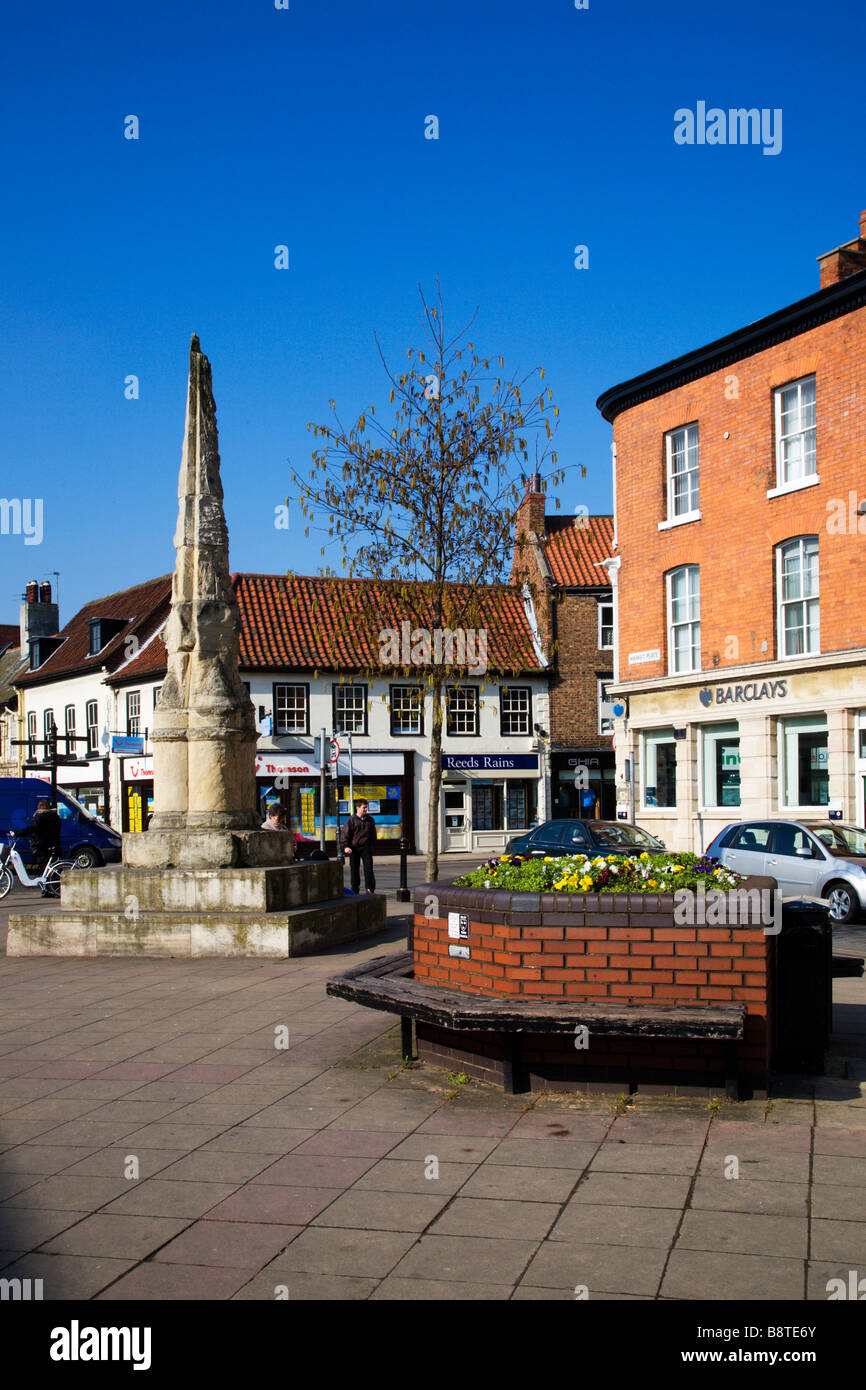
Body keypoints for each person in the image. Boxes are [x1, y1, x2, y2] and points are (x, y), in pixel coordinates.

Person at [14, 799, 62, 883]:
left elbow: (31, 828)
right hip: (54, 844)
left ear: (39, 807)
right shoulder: (55, 816)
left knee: (43, 867)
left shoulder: (40, 817)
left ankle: (48, 887)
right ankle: (51, 887)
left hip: (42, 846)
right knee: (51, 867)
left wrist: (16, 833)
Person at [340, 800, 377, 894]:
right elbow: (345, 834)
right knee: (354, 870)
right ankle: (355, 890)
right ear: (357, 807)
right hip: (354, 848)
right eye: (364, 807)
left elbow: (373, 834)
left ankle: (370, 889)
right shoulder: (351, 820)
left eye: (366, 807)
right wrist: (346, 846)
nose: (366, 809)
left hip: (366, 847)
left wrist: (372, 846)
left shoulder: (370, 820)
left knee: (368, 869)